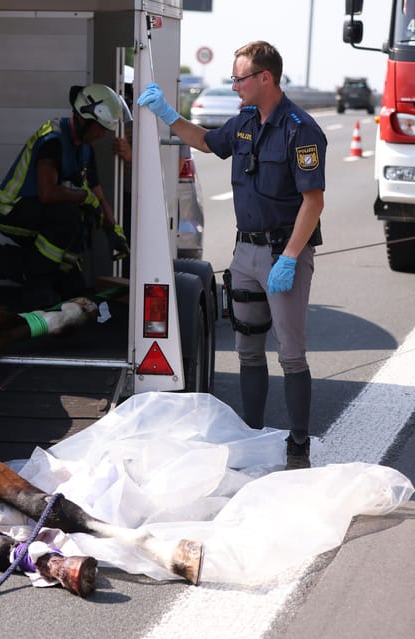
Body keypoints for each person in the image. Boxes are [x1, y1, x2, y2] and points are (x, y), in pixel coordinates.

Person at [138, 41, 325, 470]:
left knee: (291, 354)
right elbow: (206, 142)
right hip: (245, 253)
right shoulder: (244, 122)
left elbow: (313, 202)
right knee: (247, 350)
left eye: (239, 78)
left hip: (282, 253)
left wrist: (290, 258)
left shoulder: (301, 130)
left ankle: (298, 445)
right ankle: (252, 435)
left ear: (265, 77)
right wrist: (169, 115)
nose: (235, 85)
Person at [0, 83, 131, 305]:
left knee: (73, 287)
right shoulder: (52, 140)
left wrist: (114, 232)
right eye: (100, 127)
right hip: (9, 210)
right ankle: (36, 287)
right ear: (83, 118)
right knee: (67, 217)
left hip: (37, 213)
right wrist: (84, 197)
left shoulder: (85, 150)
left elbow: (98, 197)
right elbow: (48, 194)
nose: (102, 134)